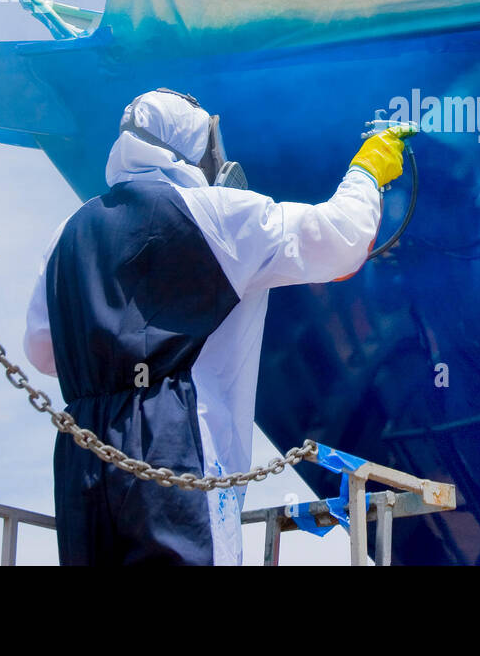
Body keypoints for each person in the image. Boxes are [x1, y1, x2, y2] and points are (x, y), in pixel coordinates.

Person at [23, 88, 412, 565]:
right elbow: (339, 239)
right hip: (174, 441)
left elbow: (42, 353)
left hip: (83, 449)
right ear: (191, 143)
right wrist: (367, 171)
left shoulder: (67, 232)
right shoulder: (216, 213)